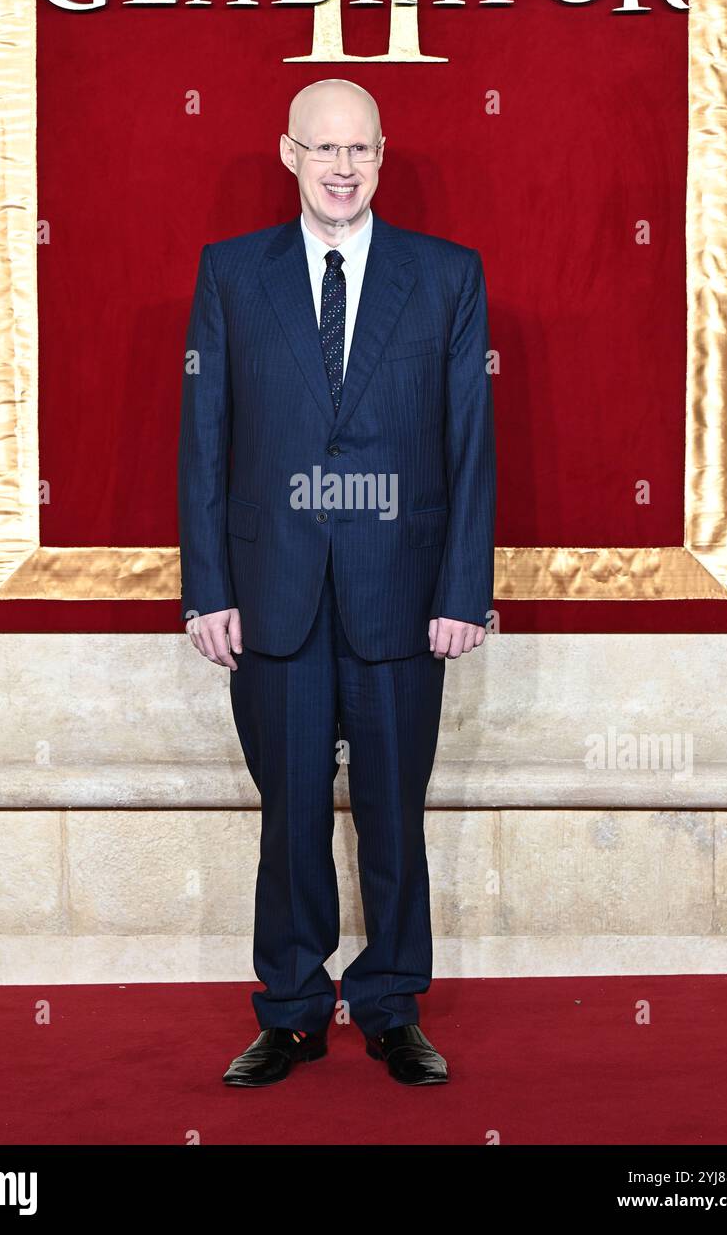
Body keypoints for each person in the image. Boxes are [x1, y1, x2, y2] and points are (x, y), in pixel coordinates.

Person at [178, 79, 496, 1086]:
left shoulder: (446, 275)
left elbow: (470, 443)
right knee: (291, 817)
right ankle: (292, 1011)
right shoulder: (231, 273)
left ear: (381, 155)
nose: (343, 167)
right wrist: (207, 588)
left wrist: (462, 592)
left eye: (359, 148)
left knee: (395, 814)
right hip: (271, 594)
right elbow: (204, 441)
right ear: (290, 154)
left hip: (400, 592)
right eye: (324, 148)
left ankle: (393, 1005)